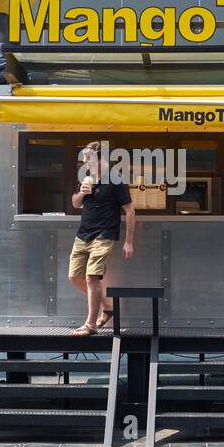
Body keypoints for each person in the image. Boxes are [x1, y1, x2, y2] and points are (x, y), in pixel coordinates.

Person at [68, 140, 135, 335]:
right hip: (83, 234)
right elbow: (75, 203)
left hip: (105, 234)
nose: (86, 162)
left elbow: (130, 211)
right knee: (74, 276)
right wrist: (81, 193)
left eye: (89, 158)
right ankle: (107, 306)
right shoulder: (86, 178)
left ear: (102, 157)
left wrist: (129, 241)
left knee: (92, 277)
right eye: (84, 158)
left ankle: (90, 324)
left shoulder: (115, 180)